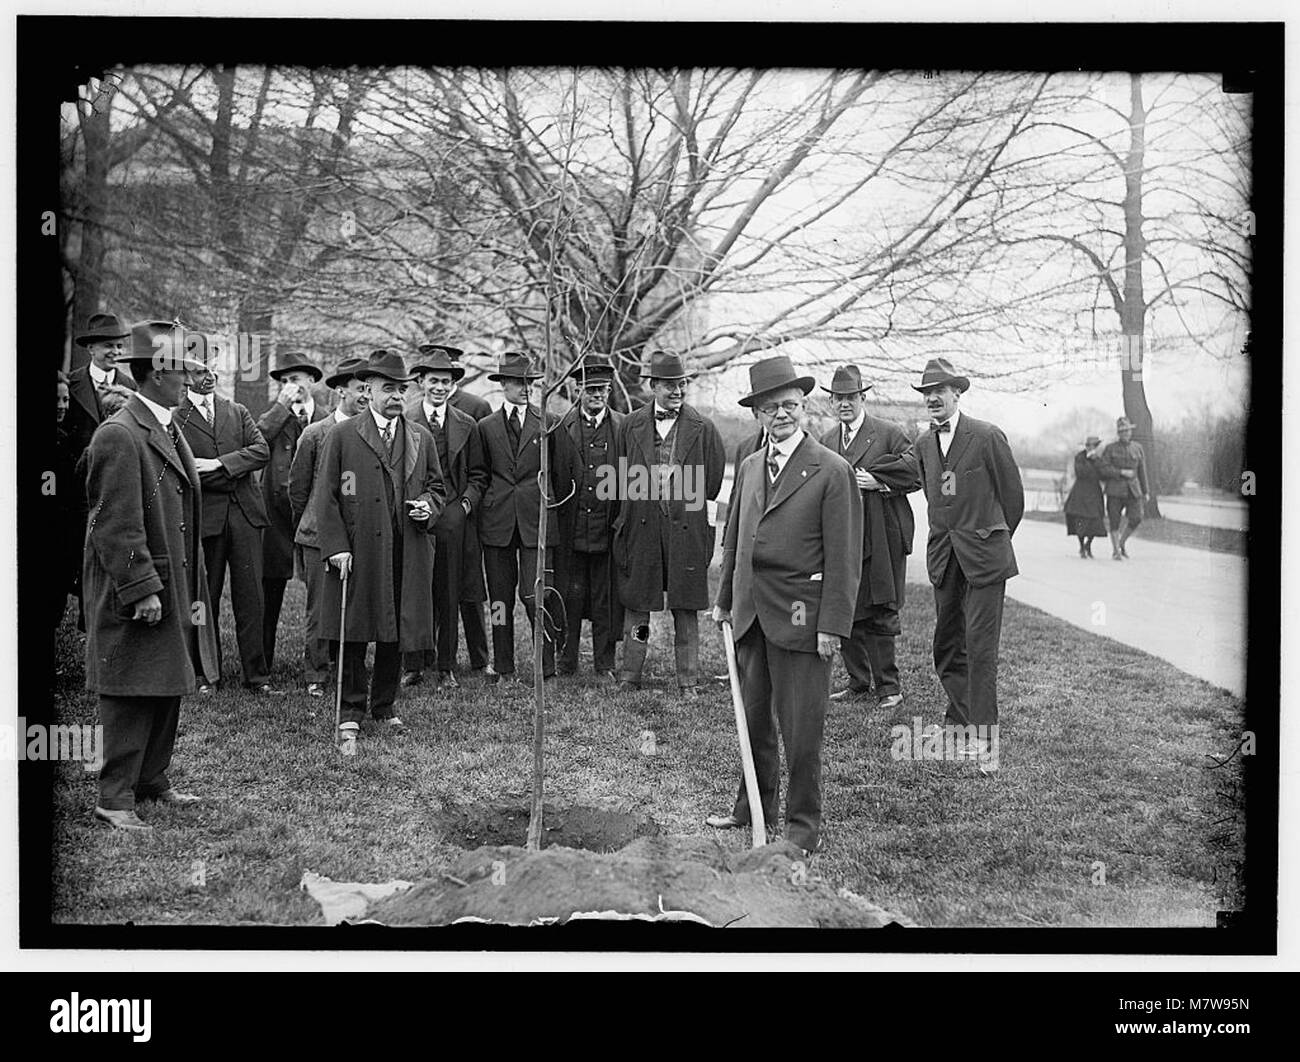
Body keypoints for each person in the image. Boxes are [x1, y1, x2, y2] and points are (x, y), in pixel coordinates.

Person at [707, 355, 862, 856]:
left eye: (791, 405)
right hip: (752, 616)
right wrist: (725, 599)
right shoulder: (750, 464)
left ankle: (802, 825)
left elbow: (844, 558)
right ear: (757, 414)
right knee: (753, 723)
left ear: (805, 408)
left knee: (801, 731)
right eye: (771, 408)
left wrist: (832, 626)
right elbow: (735, 538)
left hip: (802, 619)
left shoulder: (832, 470)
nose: (782, 415)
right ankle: (751, 807)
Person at [82, 320, 219, 831]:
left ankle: (152, 779)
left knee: (163, 682)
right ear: (158, 374)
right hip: (140, 585)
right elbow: (112, 524)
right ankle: (115, 798)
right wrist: (141, 588)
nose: (191, 378)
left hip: (171, 580)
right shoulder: (119, 434)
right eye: (183, 369)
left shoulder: (164, 424)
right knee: (129, 688)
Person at [315, 350, 447, 753]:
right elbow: (327, 497)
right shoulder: (342, 435)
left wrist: (428, 505)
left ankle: (384, 706)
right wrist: (336, 546)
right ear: (367, 390)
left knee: (396, 628)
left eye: (400, 389)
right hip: (358, 552)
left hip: (406, 549)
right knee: (353, 631)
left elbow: (438, 488)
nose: (395, 396)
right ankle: (349, 712)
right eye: (387, 388)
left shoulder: (420, 438)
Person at [913, 358, 1024, 763]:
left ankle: (982, 732)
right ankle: (960, 716)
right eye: (926, 393)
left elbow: (1013, 498)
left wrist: (989, 536)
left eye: (939, 391)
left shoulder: (986, 436)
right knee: (946, 643)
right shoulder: (924, 443)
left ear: (957, 393)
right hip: (946, 556)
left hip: (984, 558)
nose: (932, 399)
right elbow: (933, 495)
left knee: (980, 646)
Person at [613, 351, 725, 699]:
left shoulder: (704, 428)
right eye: (670, 386)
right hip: (641, 526)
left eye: (682, 385)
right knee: (638, 604)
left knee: (686, 607)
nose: (677, 391)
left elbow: (713, 483)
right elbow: (618, 477)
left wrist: (680, 502)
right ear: (653, 386)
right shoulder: (630, 425)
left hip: (686, 527)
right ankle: (630, 675)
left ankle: (687, 681)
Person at [819, 365, 921, 716]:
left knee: (881, 610)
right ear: (831, 402)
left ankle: (889, 688)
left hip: (882, 535)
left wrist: (879, 481)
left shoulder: (888, 433)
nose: (844, 403)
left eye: (850, 397)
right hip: (843, 536)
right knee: (846, 606)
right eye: (838, 398)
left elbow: (915, 470)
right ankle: (858, 682)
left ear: (862, 397)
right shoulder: (828, 440)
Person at [177, 360, 275, 693]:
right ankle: (205, 674)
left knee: (252, 598)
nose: (210, 377)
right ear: (183, 375)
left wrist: (220, 464)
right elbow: (187, 470)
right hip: (206, 519)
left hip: (246, 515)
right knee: (204, 600)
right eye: (200, 371)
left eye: (212, 370)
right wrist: (235, 468)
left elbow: (261, 451)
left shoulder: (236, 410)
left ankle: (257, 677)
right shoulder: (176, 417)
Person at [476, 352, 571, 682]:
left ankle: (546, 667)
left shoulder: (548, 422)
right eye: (518, 382)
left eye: (530, 382)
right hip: (498, 524)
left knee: (536, 596)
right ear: (502, 384)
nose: (525, 388)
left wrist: (549, 511)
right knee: (500, 601)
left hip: (536, 523)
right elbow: (480, 473)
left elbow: (560, 473)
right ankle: (503, 667)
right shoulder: (485, 428)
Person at [400, 348, 489, 689]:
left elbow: (479, 475)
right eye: (434, 381)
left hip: (454, 521)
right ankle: (414, 663)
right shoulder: (406, 420)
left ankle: (446, 664)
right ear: (421, 382)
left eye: (446, 382)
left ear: (453, 386)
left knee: (450, 592)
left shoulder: (467, 424)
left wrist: (464, 507)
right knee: (415, 593)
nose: (439, 388)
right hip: (416, 517)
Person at [289, 356, 369, 699]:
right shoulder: (315, 433)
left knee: (355, 605)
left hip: (360, 534)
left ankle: (349, 670)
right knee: (320, 607)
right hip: (318, 535)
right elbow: (298, 488)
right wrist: (312, 526)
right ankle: (316, 674)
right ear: (340, 392)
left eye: (369, 389)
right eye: (360, 389)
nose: (366, 396)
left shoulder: (370, 433)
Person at [63, 313, 138, 626]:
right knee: (80, 562)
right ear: (91, 348)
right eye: (109, 346)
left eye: (120, 346)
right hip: (76, 490)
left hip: (115, 488)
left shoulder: (130, 387)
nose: (116, 353)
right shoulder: (70, 383)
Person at [257, 351, 329, 673]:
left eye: (296, 380)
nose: (290, 386)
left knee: (321, 596)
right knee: (269, 594)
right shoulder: (274, 416)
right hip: (275, 518)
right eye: (284, 382)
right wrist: (281, 407)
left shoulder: (326, 418)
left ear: (312, 381)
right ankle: (262, 663)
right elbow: (256, 442)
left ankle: (320, 663)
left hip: (315, 518)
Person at [556, 354, 625, 679]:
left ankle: (605, 664)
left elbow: (633, 480)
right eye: (591, 389)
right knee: (570, 596)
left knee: (605, 601)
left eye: (603, 390)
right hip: (571, 531)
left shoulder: (624, 427)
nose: (597, 395)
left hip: (608, 530)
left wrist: (622, 522)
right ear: (578, 390)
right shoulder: (561, 426)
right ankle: (566, 661)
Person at [1099, 416, 1149, 560]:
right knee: (1114, 520)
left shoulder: (1137, 448)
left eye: (1127, 431)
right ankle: (1116, 551)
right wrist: (1120, 472)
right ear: (1118, 433)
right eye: (1122, 431)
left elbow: (1142, 471)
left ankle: (1122, 542)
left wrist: (1146, 491)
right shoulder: (1110, 448)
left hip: (1133, 490)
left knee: (1137, 517)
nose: (1125, 433)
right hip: (1115, 490)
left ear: (1131, 432)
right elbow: (1103, 468)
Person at [1064, 434, 1107, 558]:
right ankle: (1082, 546)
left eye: (1094, 445)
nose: (1092, 448)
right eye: (1089, 445)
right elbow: (1081, 472)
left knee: (1095, 519)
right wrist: (1090, 461)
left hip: (1094, 491)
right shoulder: (1080, 457)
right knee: (1080, 520)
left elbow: (1103, 473)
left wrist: (1096, 461)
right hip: (1081, 491)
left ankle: (1089, 544)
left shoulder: (1099, 459)